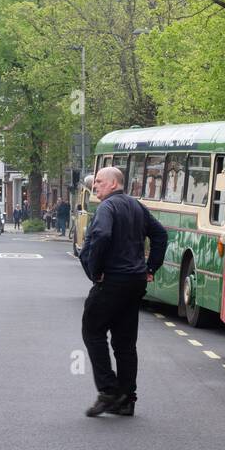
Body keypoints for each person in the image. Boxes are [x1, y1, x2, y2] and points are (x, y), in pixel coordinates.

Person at [78, 166, 168, 417]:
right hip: (135, 282)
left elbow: (102, 235)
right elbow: (160, 235)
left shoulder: (107, 208)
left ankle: (108, 390)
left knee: (92, 330)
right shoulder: (136, 206)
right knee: (125, 343)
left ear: (114, 184)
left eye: (99, 181)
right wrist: (151, 268)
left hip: (113, 281)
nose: (94, 185)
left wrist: (95, 271)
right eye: (94, 182)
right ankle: (127, 399)